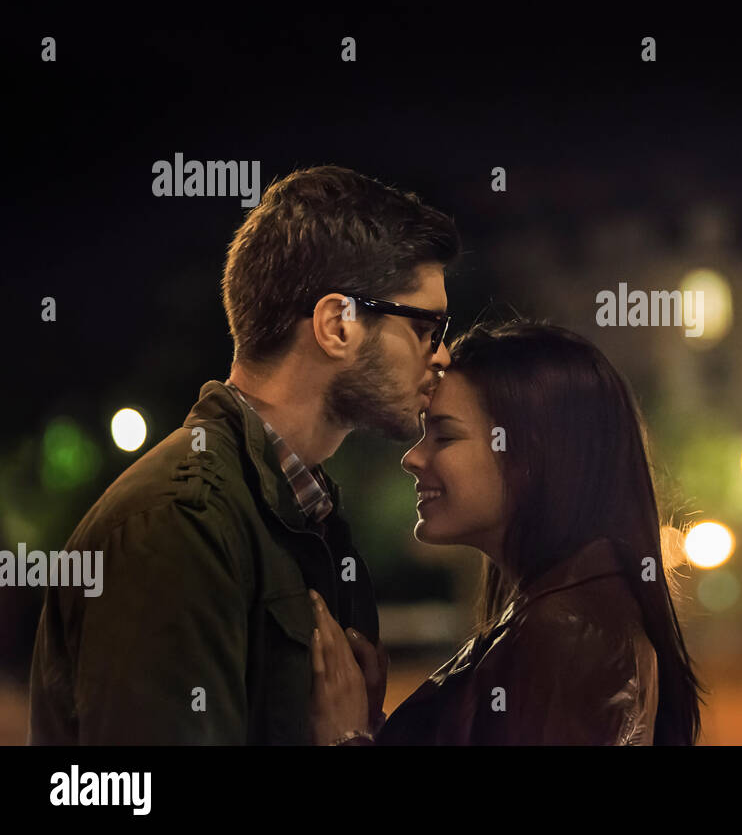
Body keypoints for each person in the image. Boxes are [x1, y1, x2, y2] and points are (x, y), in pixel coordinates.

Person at [27, 165, 459, 744]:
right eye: (428, 326)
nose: (443, 355)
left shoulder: (304, 510)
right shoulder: (179, 523)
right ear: (338, 325)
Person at [309, 321, 707, 744]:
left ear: (532, 456)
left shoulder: (566, 638)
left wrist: (344, 738)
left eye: (444, 435)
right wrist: (368, 720)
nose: (413, 457)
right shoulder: (562, 615)